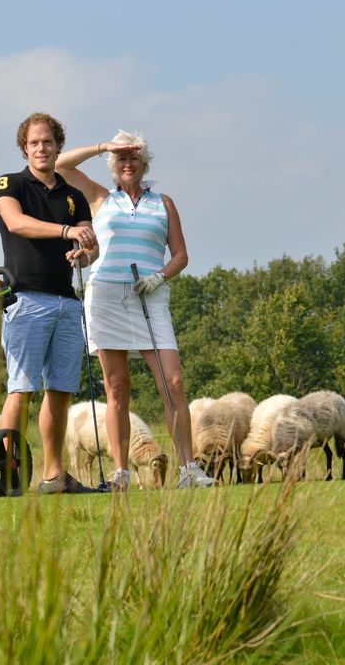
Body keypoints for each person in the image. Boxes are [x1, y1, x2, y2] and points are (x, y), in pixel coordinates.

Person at [56, 131, 214, 490]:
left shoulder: (163, 203)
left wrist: (159, 277)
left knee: (173, 382)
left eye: (134, 157)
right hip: (106, 296)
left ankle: (188, 469)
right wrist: (104, 147)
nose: (128, 164)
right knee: (117, 387)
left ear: (145, 164)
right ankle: (121, 473)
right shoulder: (99, 197)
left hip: (150, 296)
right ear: (114, 165)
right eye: (121, 158)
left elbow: (181, 256)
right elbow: (60, 165)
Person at [0, 111, 102, 494]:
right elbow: (16, 223)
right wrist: (66, 231)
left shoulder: (74, 196)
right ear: (24, 148)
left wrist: (84, 254)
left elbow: (91, 245)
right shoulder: (10, 183)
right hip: (25, 298)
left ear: (58, 147)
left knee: (60, 391)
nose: (41, 148)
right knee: (21, 389)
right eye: (34, 143)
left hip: (67, 303)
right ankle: (7, 475)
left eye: (48, 142)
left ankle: (53, 476)